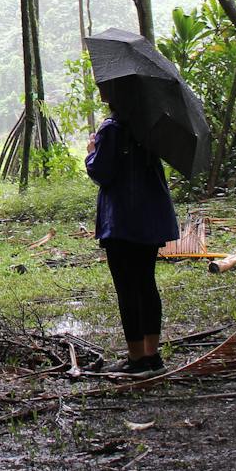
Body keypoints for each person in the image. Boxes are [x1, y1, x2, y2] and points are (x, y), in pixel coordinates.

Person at [86, 80, 179, 376]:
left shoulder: (112, 128)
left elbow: (102, 171)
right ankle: (153, 355)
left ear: (115, 94)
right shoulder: (149, 126)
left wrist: (91, 151)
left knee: (127, 288)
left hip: (123, 220)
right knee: (146, 283)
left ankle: (136, 358)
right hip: (150, 217)